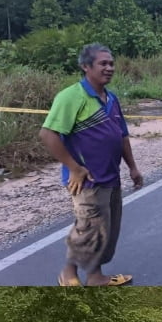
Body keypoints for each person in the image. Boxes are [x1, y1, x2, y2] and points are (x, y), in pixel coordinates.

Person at [39, 43, 143, 287]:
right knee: (88, 227)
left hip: (111, 176)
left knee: (105, 229)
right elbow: (48, 135)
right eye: (103, 64)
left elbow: (122, 135)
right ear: (86, 67)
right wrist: (75, 168)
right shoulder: (71, 97)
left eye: (111, 63)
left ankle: (95, 276)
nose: (109, 68)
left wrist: (133, 167)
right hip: (88, 180)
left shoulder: (111, 98)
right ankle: (68, 273)